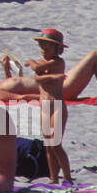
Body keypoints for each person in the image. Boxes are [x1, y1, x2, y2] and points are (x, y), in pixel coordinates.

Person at [0, 28, 97, 103]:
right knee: (95, 56)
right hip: (62, 89)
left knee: (95, 56)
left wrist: (7, 69)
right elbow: (22, 96)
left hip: (60, 84)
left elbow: (20, 87)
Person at [25, 40, 72, 184]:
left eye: (47, 48)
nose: (43, 50)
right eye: (41, 47)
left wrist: (32, 63)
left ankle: (67, 177)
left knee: (56, 144)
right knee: (48, 145)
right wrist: (52, 77)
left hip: (57, 106)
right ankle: (53, 178)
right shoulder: (41, 63)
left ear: (57, 49)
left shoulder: (58, 62)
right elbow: (37, 77)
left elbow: (37, 69)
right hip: (44, 107)